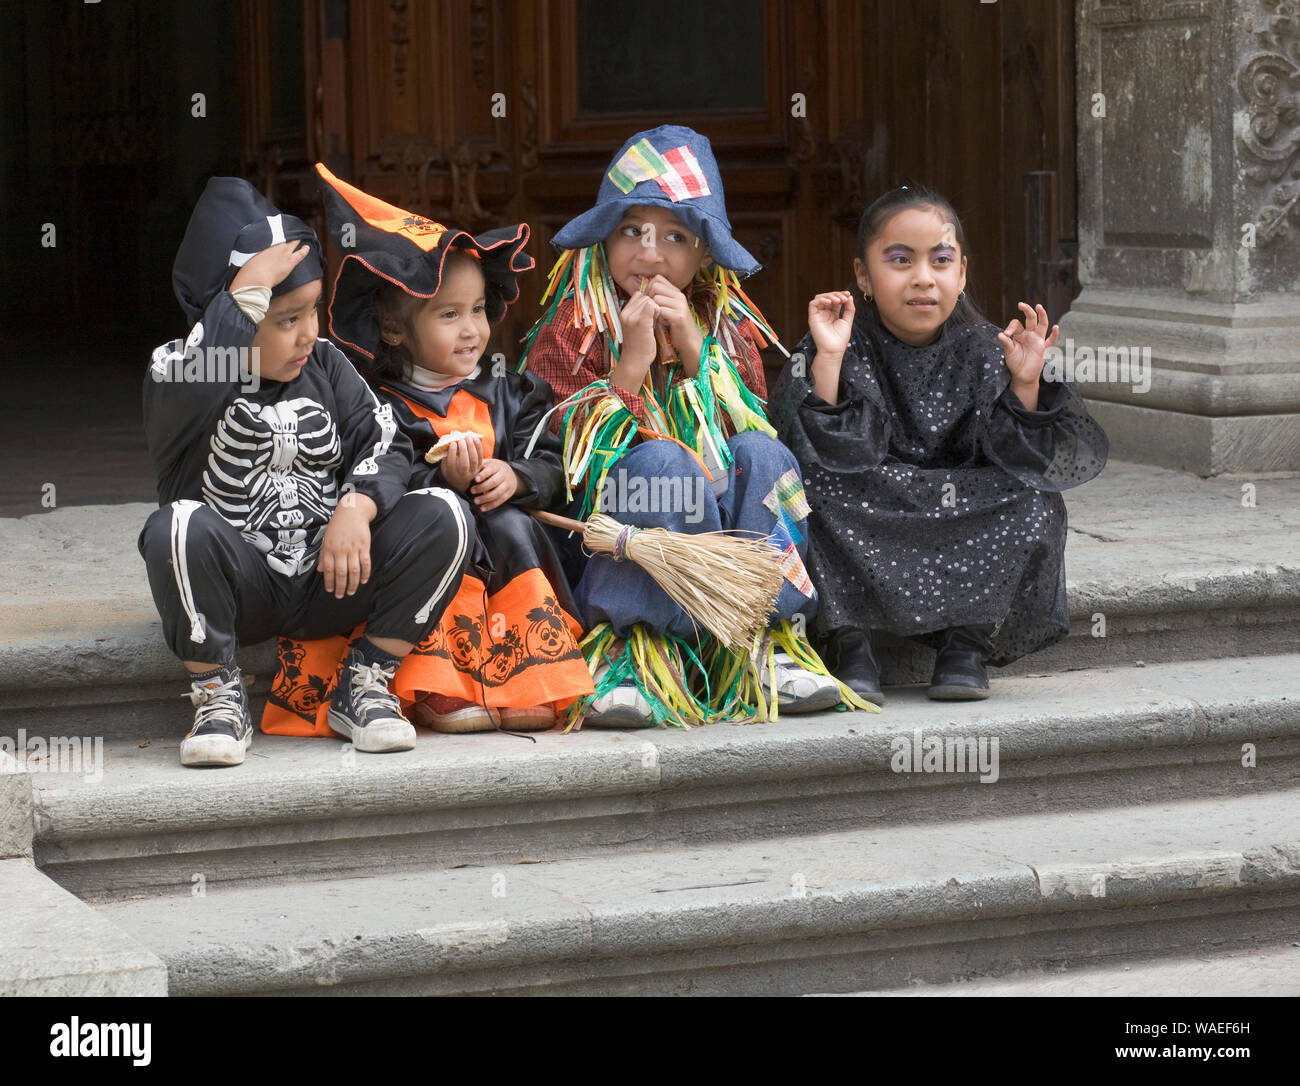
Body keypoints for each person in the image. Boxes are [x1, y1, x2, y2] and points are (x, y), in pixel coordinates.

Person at [520, 125, 870, 728]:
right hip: (617, 536)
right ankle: (637, 655)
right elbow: (569, 463)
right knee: (662, 464)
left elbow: (748, 423)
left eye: (675, 237)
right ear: (604, 236)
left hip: (725, 550)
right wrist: (630, 365)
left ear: (704, 255)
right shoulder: (572, 329)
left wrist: (691, 349)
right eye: (632, 230)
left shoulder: (728, 327)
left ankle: (768, 645)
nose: (650, 253)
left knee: (763, 454)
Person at [139, 177, 474, 767]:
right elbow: (206, 369)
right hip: (243, 592)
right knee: (175, 527)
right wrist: (242, 299)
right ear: (232, 316)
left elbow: (388, 441)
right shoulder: (179, 372)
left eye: (312, 310)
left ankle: (366, 679)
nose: (309, 332)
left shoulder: (325, 364)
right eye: (285, 318)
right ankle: (218, 694)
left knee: (446, 514)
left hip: (334, 577)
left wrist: (357, 505)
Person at [259, 165, 592, 735]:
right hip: (431, 554)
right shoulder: (375, 406)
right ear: (393, 327)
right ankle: (441, 684)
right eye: (449, 314)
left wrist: (515, 477)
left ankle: (523, 678)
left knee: (509, 524)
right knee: (449, 522)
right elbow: (369, 479)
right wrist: (440, 483)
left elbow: (556, 461)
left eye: (479, 310)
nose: (472, 330)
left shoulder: (512, 392)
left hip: (510, 549)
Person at [770, 185, 1109, 704]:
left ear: (963, 273)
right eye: (899, 260)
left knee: (1034, 493)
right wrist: (829, 360)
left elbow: (1019, 456)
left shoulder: (984, 346)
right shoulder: (838, 340)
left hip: (960, 509)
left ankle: (964, 644)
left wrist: (1024, 384)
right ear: (863, 274)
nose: (923, 278)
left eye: (941, 260)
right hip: (871, 501)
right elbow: (822, 446)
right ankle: (849, 643)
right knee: (809, 484)